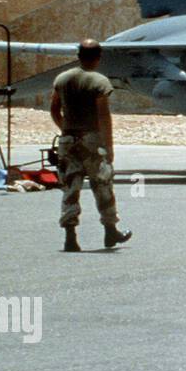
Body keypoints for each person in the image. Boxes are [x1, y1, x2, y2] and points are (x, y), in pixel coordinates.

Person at [50, 39, 132, 252]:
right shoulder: (99, 81)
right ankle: (110, 230)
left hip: (68, 141)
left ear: (78, 55)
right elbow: (104, 116)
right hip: (92, 141)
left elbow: (54, 110)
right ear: (98, 57)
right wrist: (109, 146)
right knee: (102, 185)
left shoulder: (62, 79)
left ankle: (70, 236)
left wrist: (66, 129)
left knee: (70, 187)